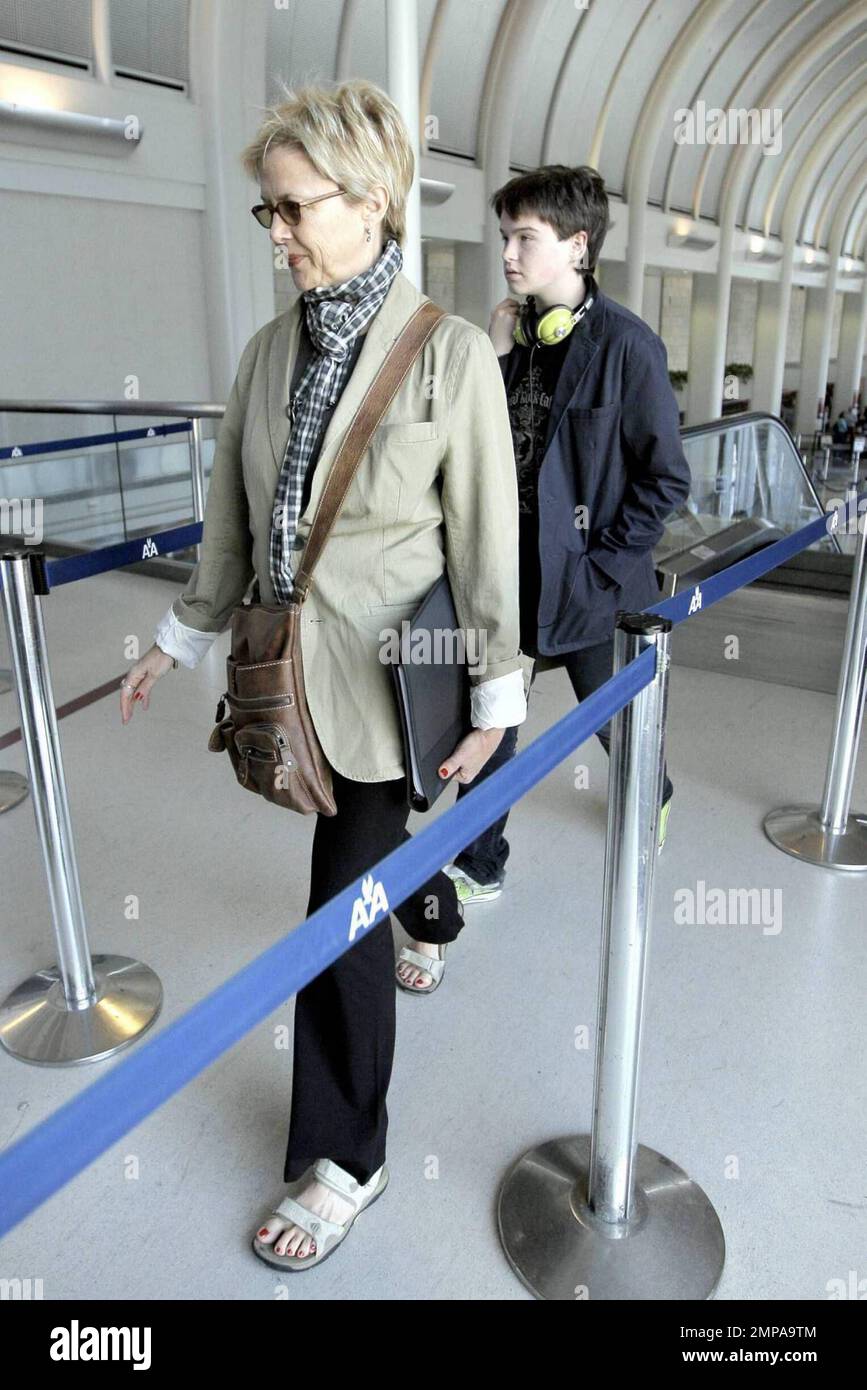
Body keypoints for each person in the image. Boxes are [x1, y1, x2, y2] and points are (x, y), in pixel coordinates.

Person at [118, 79, 531, 1270]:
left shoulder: (451, 358)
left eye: (294, 209)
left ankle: (347, 1154)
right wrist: (178, 637)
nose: (281, 233)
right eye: (269, 213)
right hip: (292, 682)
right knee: (370, 886)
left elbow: (486, 544)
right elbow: (234, 523)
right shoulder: (265, 353)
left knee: (334, 917)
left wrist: (496, 700)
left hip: (398, 690)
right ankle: (432, 900)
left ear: (372, 201)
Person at [423, 164, 691, 910]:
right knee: (492, 718)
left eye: (524, 238)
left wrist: (602, 568)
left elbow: (665, 479)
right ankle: (478, 860)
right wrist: (498, 355)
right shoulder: (514, 338)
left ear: (577, 246)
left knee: (614, 721)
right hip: (508, 579)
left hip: (589, 587)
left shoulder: (627, 348)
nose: (507, 253)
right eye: (505, 236)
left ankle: (653, 789)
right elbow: (474, 448)